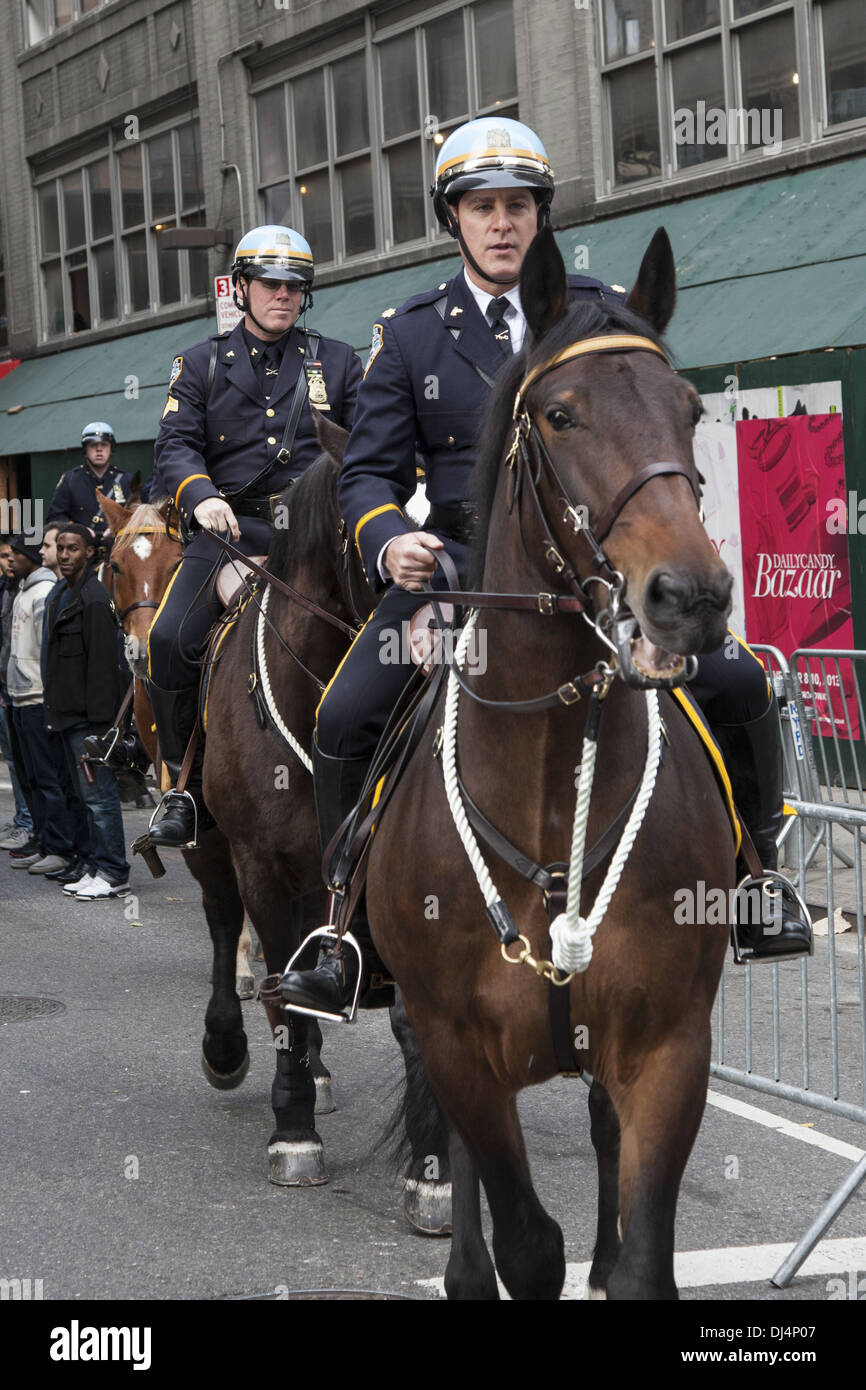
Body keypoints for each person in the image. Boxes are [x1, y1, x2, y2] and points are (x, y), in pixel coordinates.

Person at [281, 116, 812, 1018]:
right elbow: (367, 470)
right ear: (455, 220)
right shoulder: (409, 336)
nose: (501, 223)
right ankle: (347, 934)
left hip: (596, 579)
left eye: (517, 206)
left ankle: (755, 886)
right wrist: (386, 540)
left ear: (540, 218)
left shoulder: (598, 311)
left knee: (742, 684)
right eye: (482, 207)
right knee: (346, 711)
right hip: (459, 579)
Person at [144, 223, 362, 848]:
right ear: (240, 289)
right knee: (168, 637)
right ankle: (183, 789)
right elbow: (175, 444)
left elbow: (371, 443)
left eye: (296, 286)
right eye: (270, 284)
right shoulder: (202, 364)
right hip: (231, 527)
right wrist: (201, 495)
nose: (284, 296)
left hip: (321, 533)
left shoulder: (340, 361)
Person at [43, 524, 130, 899]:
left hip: (88, 721)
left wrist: (101, 729)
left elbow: (103, 668)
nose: (64, 555)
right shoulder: (62, 592)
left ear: (90, 553)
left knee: (100, 798)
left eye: (73, 549)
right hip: (66, 715)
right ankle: (96, 864)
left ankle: (113, 871)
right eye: (60, 548)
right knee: (85, 798)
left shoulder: (94, 599)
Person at [5, 535, 78, 875]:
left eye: (15, 555)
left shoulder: (43, 594)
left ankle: (61, 848)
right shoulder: (21, 591)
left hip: (37, 698)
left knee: (48, 778)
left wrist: (47, 694)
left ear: (30, 557)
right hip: (18, 698)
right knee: (31, 776)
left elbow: (49, 651)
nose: (9, 560)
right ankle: (45, 841)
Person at [46, 423, 132, 557]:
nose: (99, 450)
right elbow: (55, 517)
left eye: (104, 445)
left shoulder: (126, 479)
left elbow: (137, 514)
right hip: (81, 556)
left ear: (111, 448)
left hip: (118, 553)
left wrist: (118, 527)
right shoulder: (71, 479)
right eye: (93, 445)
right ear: (85, 450)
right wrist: (79, 530)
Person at [0, 536, 36, 853]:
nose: (8, 561)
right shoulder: (7, 590)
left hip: (28, 692)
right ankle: (25, 820)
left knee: (32, 763)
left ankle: (30, 825)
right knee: (15, 760)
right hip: (7, 690)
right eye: (4, 556)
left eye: (13, 555)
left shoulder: (33, 591)